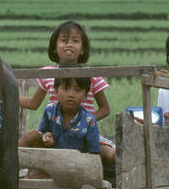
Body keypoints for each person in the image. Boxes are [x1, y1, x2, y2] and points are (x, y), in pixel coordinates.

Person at [18, 20, 115, 166]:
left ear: (82, 49)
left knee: (109, 155)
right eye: (64, 40)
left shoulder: (91, 75)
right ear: (55, 48)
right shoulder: (48, 73)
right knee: (27, 139)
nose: (69, 44)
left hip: (84, 135)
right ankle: (16, 173)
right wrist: (8, 95)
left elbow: (105, 109)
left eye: (75, 41)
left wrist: (84, 124)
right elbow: (33, 103)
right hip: (54, 134)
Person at [19, 76, 101, 153]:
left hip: (77, 162)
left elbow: (93, 151)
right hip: (51, 157)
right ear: (56, 92)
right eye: (65, 88)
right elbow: (43, 131)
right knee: (30, 136)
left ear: (85, 96)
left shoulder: (89, 120)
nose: (71, 95)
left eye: (77, 90)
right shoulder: (50, 111)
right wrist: (47, 136)